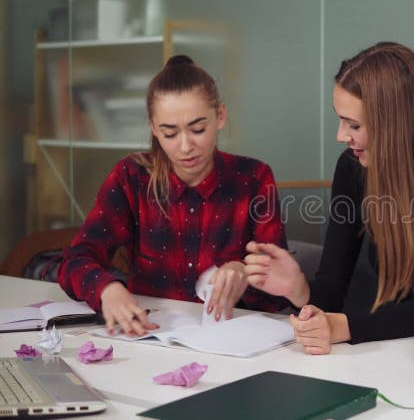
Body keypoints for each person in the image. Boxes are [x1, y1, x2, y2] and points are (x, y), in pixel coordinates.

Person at [244, 42, 414, 354]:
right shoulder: (353, 167)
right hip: (388, 352)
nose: (341, 136)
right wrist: (298, 289)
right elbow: (331, 290)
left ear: (396, 125)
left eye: (354, 125)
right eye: (341, 120)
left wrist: (345, 327)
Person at [58, 55, 287, 336]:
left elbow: (281, 287)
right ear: (154, 128)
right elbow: (75, 260)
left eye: (198, 129)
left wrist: (245, 272)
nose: (185, 146)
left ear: (220, 116)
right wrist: (107, 289)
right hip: (150, 336)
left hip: (229, 339)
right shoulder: (131, 177)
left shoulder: (254, 178)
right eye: (169, 133)